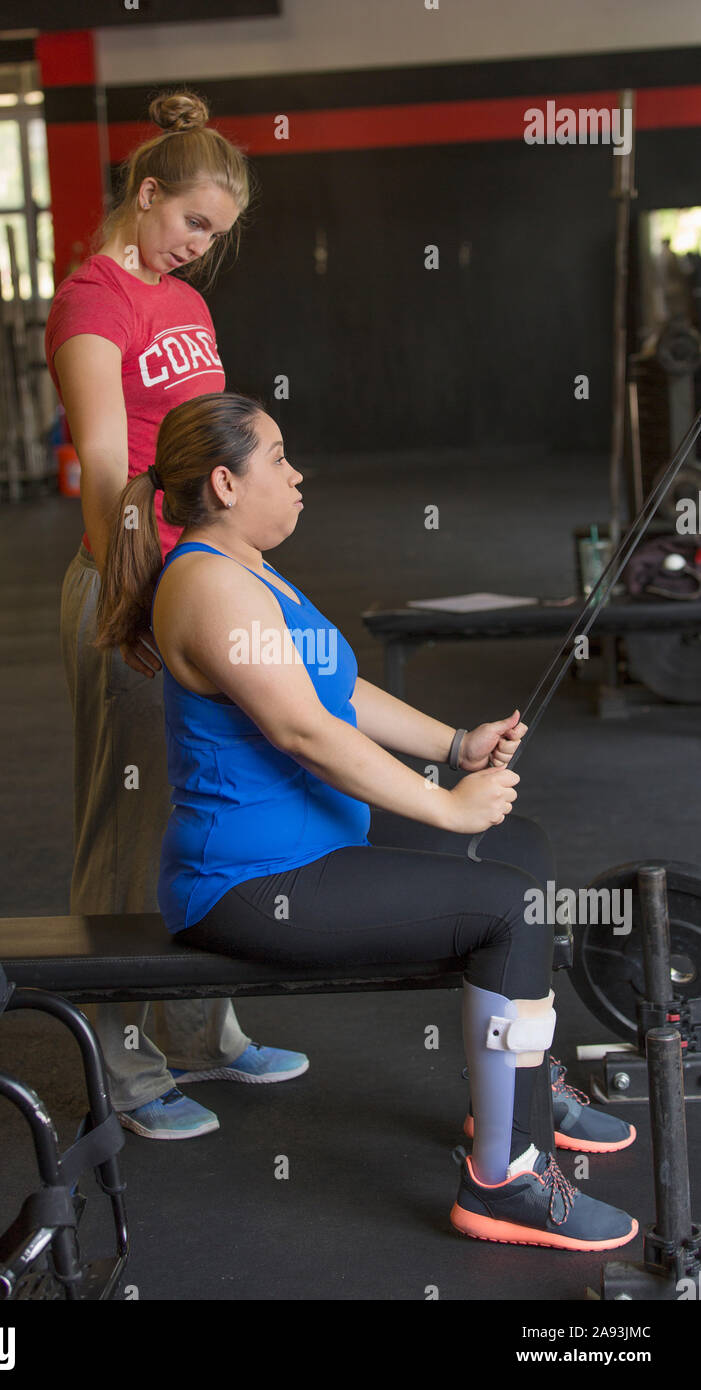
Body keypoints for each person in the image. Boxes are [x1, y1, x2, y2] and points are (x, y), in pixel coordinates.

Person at [93, 390, 639, 1250]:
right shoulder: (206, 586)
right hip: (249, 882)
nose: (296, 472)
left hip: (319, 841)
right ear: (227, 484)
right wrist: (441, 803)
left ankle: (520, 1088)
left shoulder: (248, 569)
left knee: (517, 847)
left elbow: (337, 690)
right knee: (502, 907)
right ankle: (501, 1179)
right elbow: (302, 729)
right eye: (278, 457)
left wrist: (455, 744)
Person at [45, 90, 307, 1141]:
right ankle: (117, 1057)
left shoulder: (186, 305)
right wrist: (134, 598)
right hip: (131, 580)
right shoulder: (92, 299)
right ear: (146, 193)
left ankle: (199, 1028)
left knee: (215, 802)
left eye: (219, 236)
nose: (202, 249)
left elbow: (210, 458)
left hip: (204, 576)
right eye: (194, 223)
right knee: (128, 821)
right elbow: (108, 463)